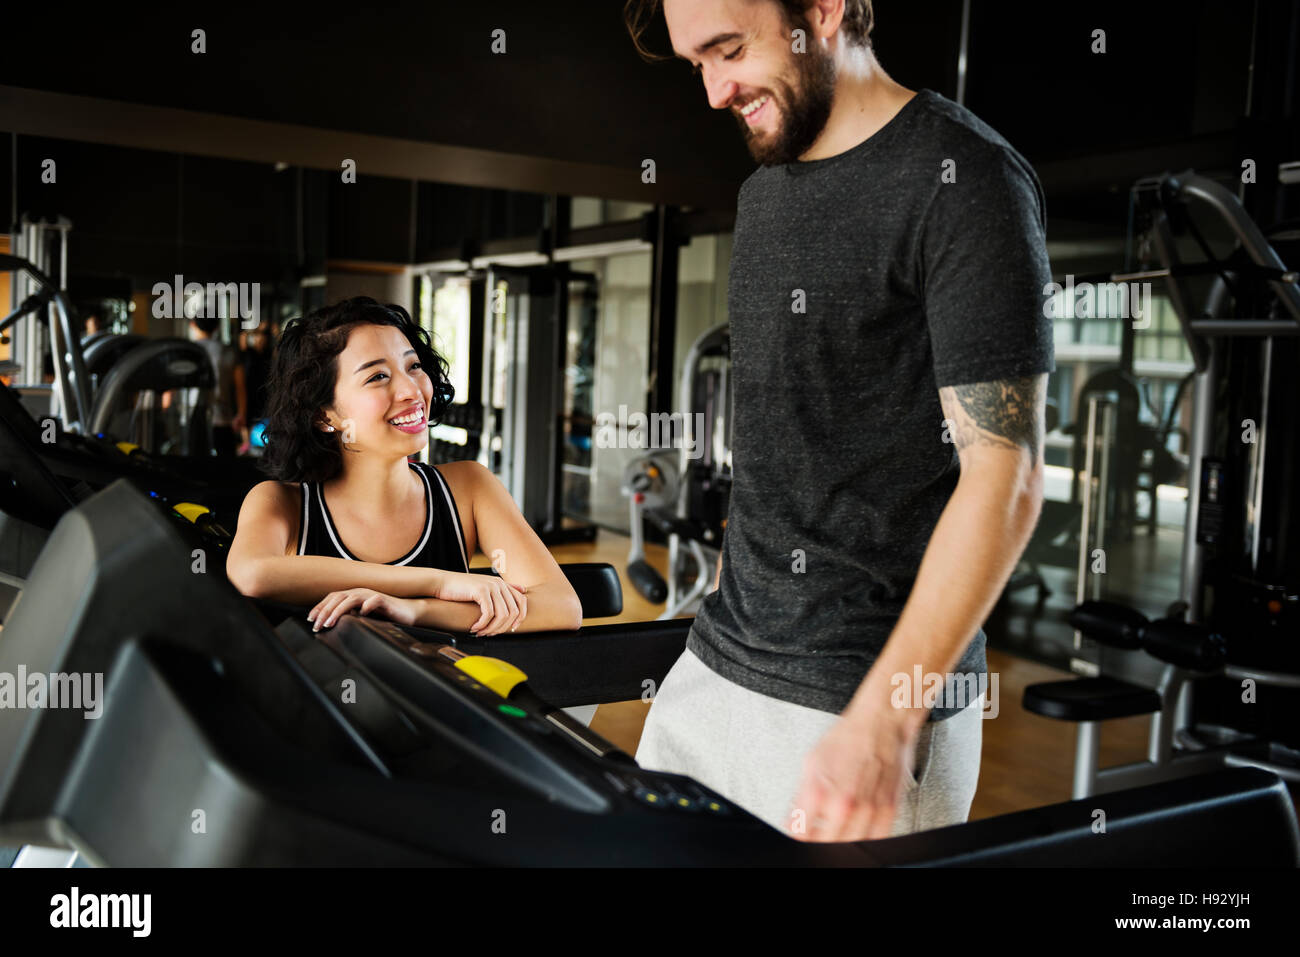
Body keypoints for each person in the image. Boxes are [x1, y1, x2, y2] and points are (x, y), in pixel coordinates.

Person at [624, 0, 1054, 841]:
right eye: (695, 65)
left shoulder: (966, 178)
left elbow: (1006, 474)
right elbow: (782, 448)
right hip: (716, 668)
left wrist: (887, 719)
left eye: (729, 50)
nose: (713, 92)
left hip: (856, 706)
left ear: (823, 10)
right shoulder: (763, 195)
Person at [225, 296, 582, 637]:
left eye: (413, 366)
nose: (412, 389)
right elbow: (251, 574)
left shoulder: (469, 487)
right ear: (324, 415)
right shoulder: (281, 503)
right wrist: (440, 582)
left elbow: (561, 606)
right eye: (377, 377)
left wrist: (416, 610)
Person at [190, 316, 247, 456]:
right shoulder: (228, 351)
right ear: (217, 327)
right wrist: (241, 413)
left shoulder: (189, 350)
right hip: (223, 417)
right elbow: (240, 386)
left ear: (193, 325)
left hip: (193, 417)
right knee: (225, 468)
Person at [238, 319, 275, 453]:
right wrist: (256, 329)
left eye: (263, 338)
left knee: (264, 416)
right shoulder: (248, 353)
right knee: (248, 417)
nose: (260, 340)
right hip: (249, 389)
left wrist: (272, 331)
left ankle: (261, 444)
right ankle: (246, 443)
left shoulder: (269, 353)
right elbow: (242, 337)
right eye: (257, 337)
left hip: (265, 390)